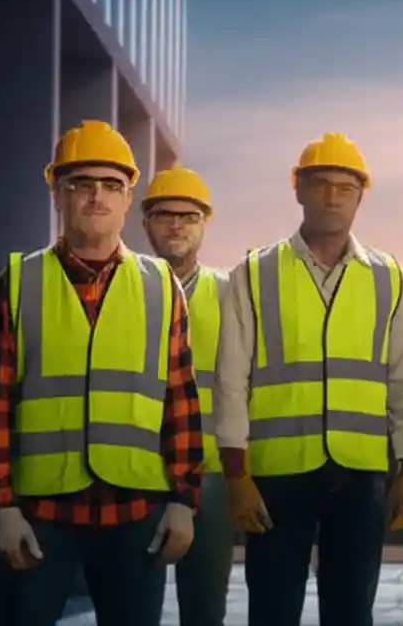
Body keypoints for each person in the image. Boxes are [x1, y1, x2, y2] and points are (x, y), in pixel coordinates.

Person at [0, 120, 200, 626]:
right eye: (81, 183)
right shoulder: (18, 282)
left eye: (111, 185)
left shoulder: (162, 286)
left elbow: (180, 401)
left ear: (127, 199)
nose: (96, 196)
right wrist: (0, 508)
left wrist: (184, 501)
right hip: (38, 515)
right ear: (57, 192)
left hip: (136, 514)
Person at [212, 132, 403, 626]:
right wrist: (237, 476)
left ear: (360, 196)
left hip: (360, 474)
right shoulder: (254, 272)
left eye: (344, 187)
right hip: (275, 475)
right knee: (271, 609)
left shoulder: (387, 277)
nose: (332, 196)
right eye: (320, 184)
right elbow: (230, 380)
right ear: (299, 190)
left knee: (351, 611)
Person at [142, 166, 235, 625]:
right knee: (134, 602)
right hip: (139, 472)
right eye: (164, 215)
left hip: (211, 473)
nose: (176, 224)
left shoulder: (232, 293)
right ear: (145, 224)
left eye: (189, 215)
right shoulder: (125, 289)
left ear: (205, 223)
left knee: (205, 607)